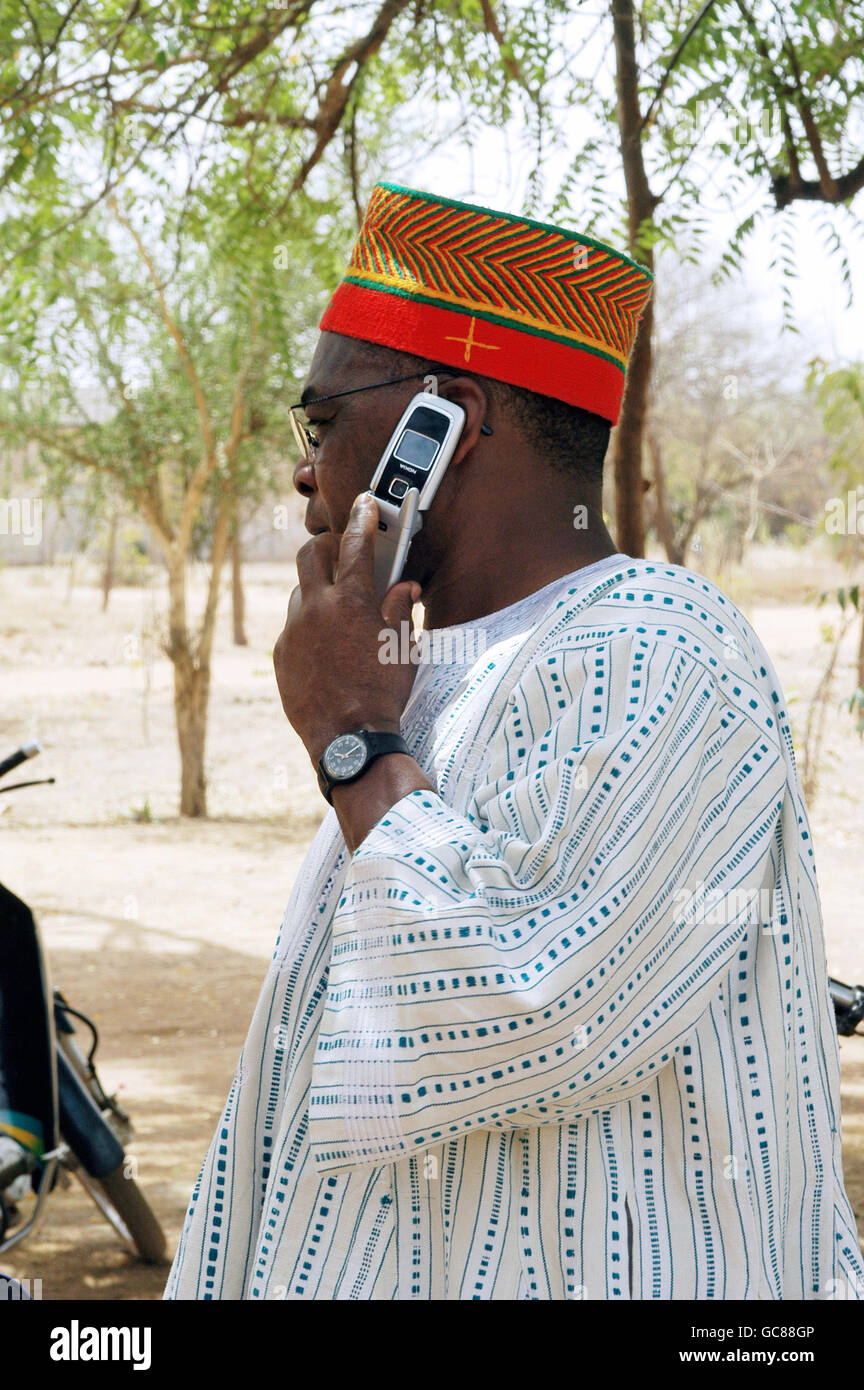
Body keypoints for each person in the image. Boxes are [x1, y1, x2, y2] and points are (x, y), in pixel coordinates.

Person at [165, 183, 864, 1300]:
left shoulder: (657, 647)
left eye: (323, 419)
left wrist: (351, 738)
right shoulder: (432, 679)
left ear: (449, 418)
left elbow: (527, 1007)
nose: (304, 468)